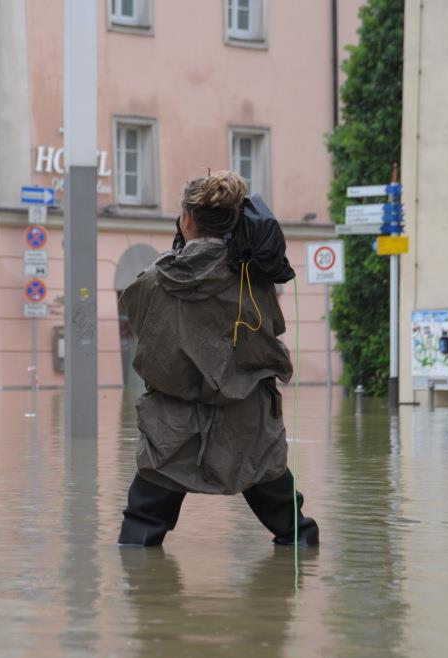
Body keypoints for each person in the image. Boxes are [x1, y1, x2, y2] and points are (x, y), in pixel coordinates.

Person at [117, 171, 319, 547]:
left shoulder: (150, 281)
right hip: (248, 425)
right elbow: (270, 334)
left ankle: (146, 598)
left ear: (188, 220)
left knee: (139, 535)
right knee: (293, 527)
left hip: (170, 429)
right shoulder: (255, 279)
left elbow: (146, 336)